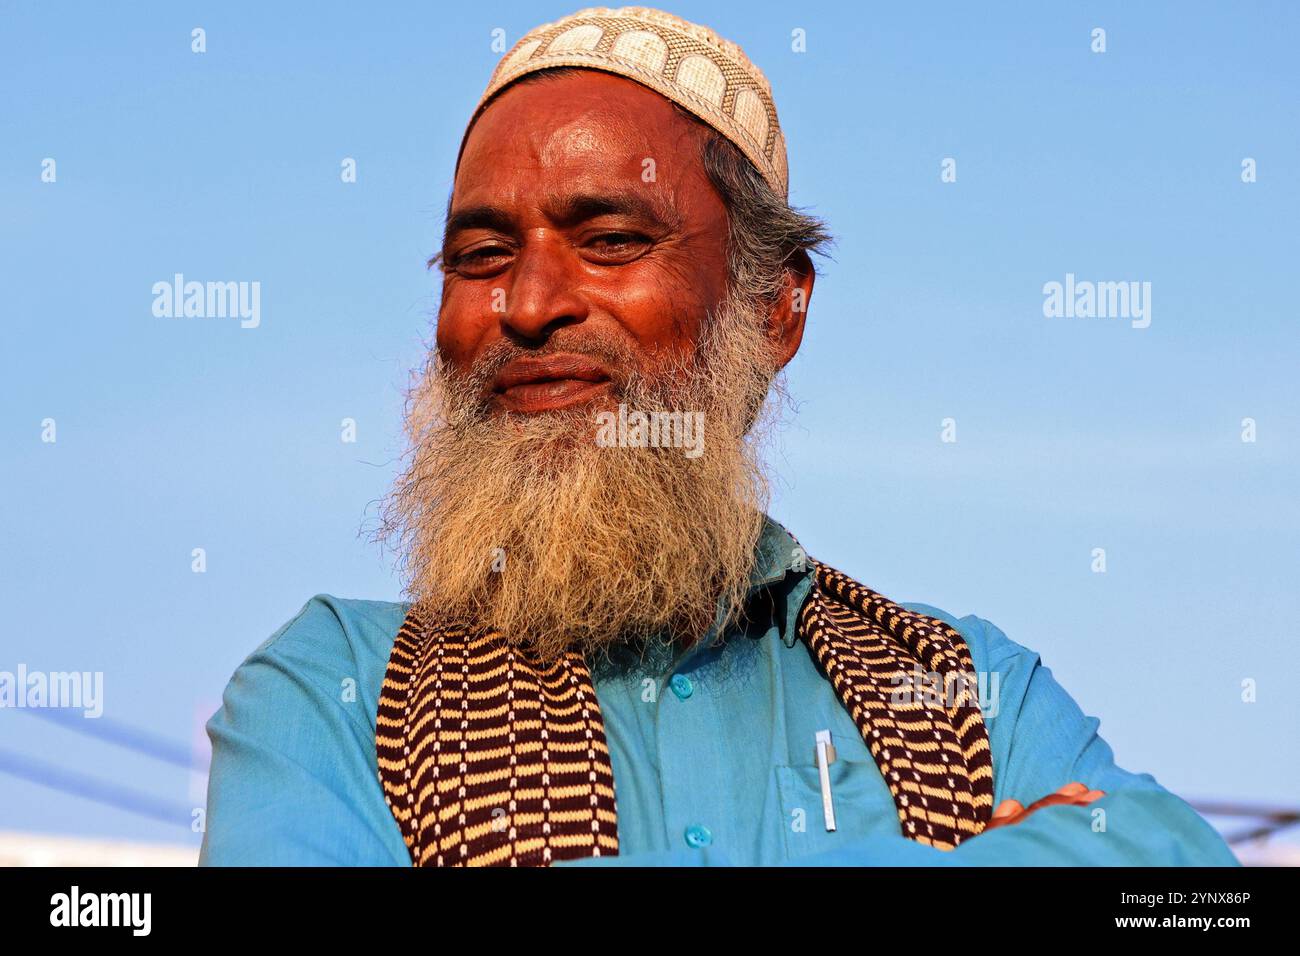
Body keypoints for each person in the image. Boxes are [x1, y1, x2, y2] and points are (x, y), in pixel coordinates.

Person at [200, 6, 1237, 867]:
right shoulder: (334, 692)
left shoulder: (967, 686)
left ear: (772, 308)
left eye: (609, 240)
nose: (524, 303)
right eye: (480, 253)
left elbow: (1181, 872)